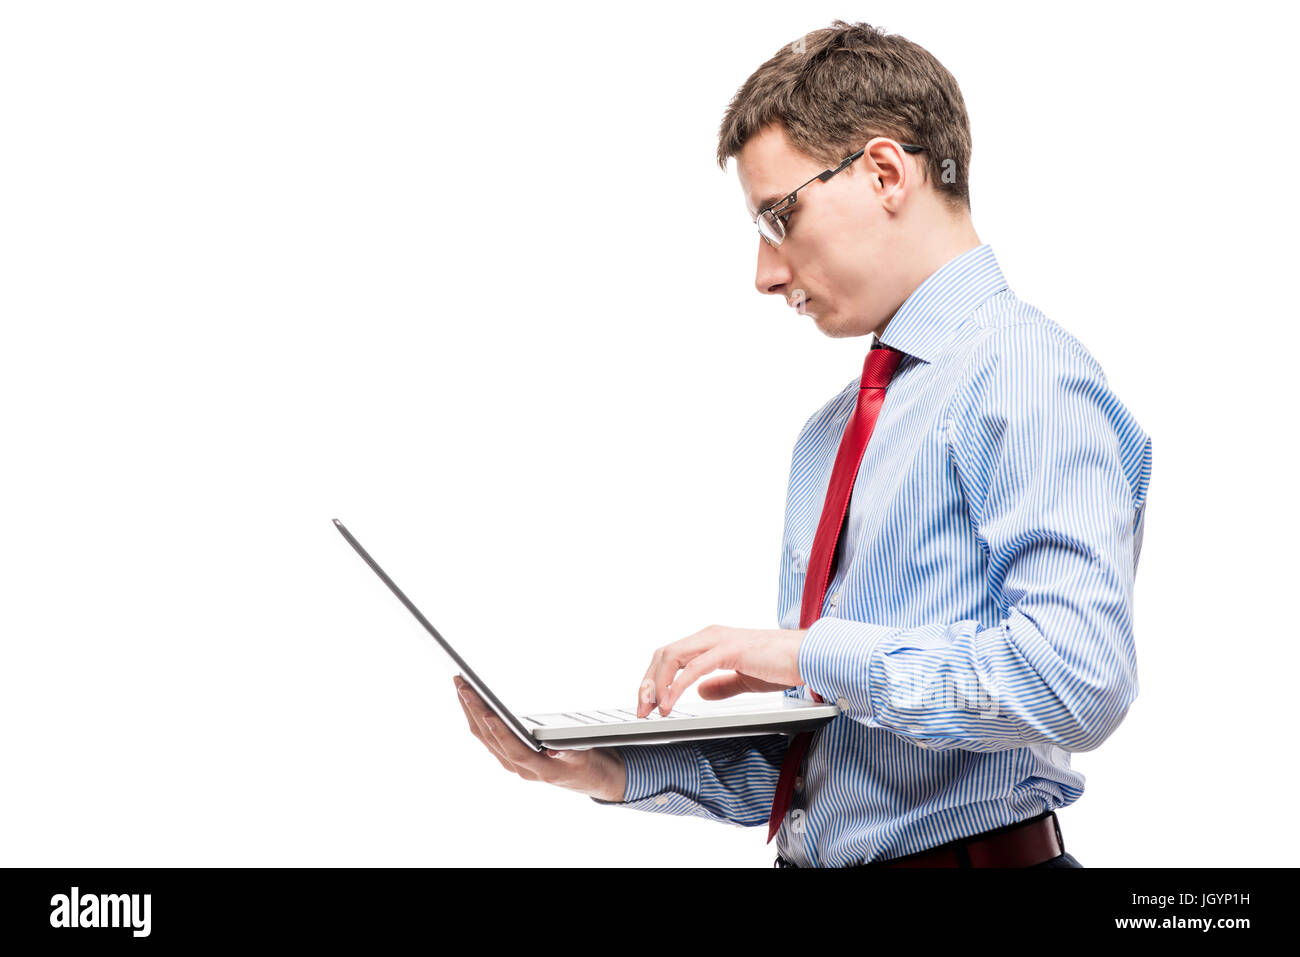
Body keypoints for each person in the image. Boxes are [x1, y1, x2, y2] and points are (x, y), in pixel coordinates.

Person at [453, 19, 1152, 868]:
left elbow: (1075, 680)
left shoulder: (1024, 375)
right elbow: (835, 764)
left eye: (779, 216)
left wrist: (800, 651)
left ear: (886, 172)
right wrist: (600, 767)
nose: (764, 272)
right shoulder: (833, 434)